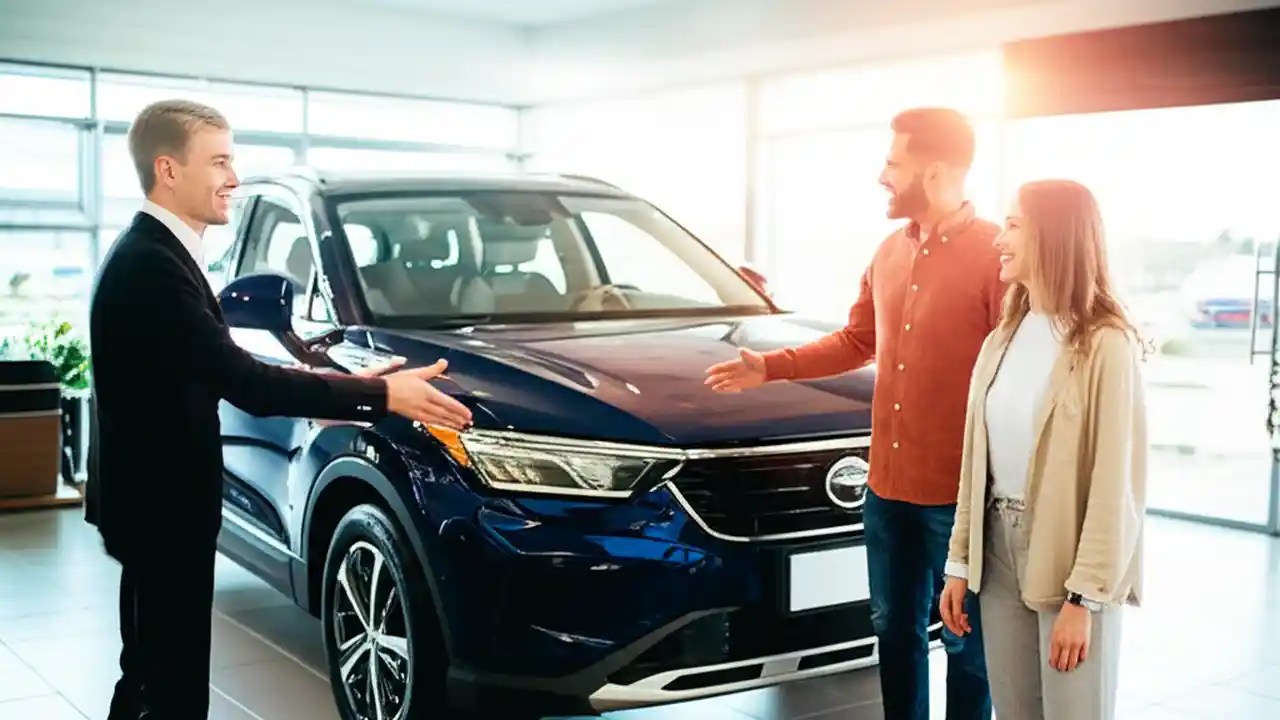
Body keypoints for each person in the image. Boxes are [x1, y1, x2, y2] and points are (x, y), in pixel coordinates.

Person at [85, 99, 474, 720]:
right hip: (162, 508)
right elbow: (246, 382)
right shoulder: (151, 268)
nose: (234, 178)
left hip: (153, 502)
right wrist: (382, 395)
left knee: (150, 673)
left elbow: (209, 366)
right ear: (168, 170)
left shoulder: (153, 254)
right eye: (219, 161)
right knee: (170, 683)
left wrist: (337, 384)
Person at [704, 107, 1002, 720]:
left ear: (936, 170)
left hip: (960, 500)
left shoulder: (998, 256)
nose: (882, 177)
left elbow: (1017, 380)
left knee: (967, 645)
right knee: (893, 631)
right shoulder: (888, 252)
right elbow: (855, 340)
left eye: (894, 163)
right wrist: (769, 366)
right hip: (885, 489)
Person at [939, 179, 1146, 720]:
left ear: (1053, 236)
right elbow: (974, 462)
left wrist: (1085, 598)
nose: (997, 239)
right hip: (997, 550)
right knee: (1014, 712)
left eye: (1012, 225)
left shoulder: (1107, 343)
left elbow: (1115, 484)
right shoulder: (1002, 337)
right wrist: (959, 562)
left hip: (1068, 558)